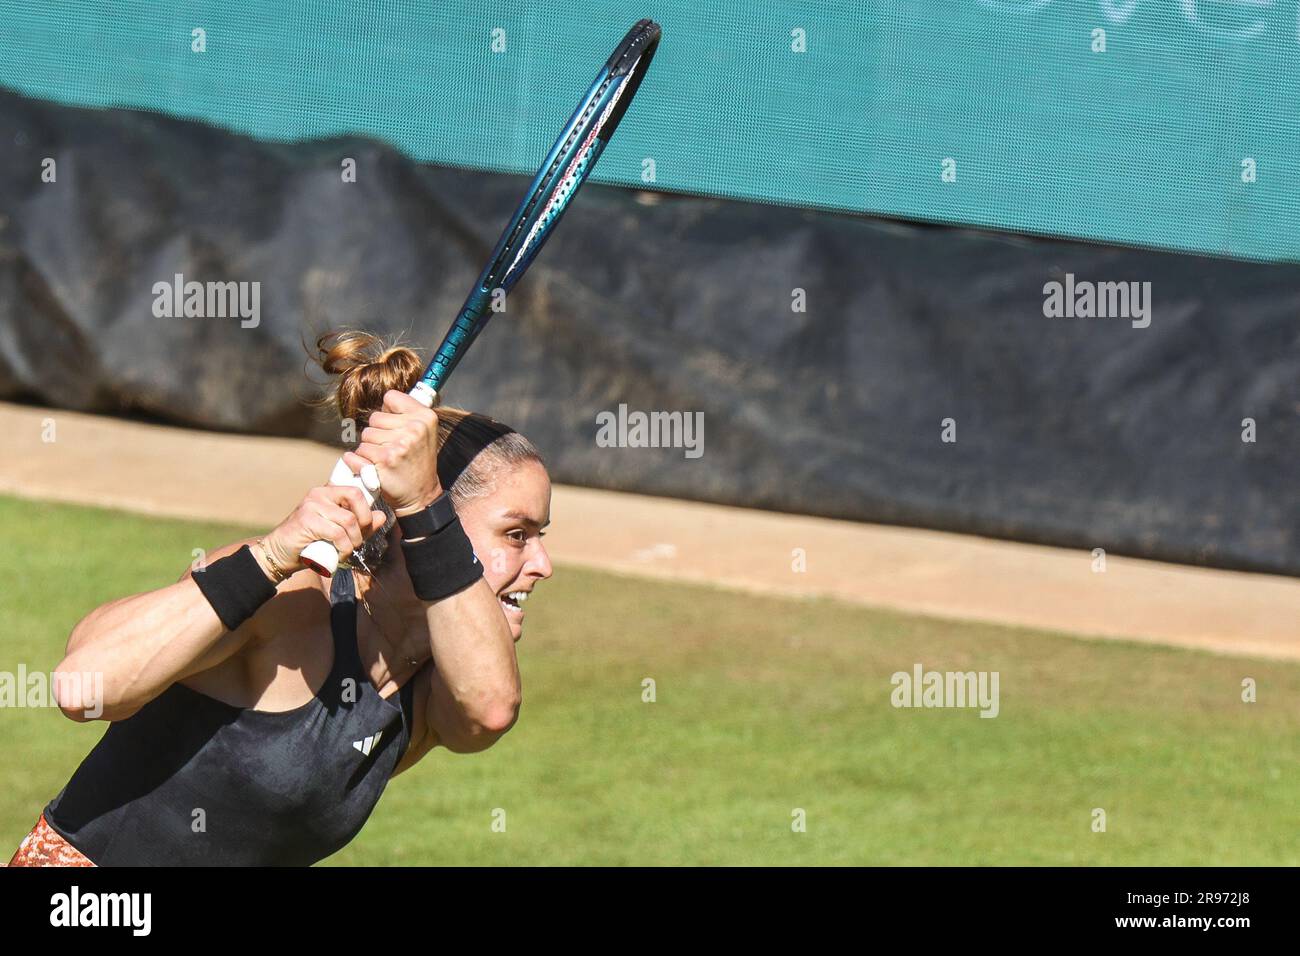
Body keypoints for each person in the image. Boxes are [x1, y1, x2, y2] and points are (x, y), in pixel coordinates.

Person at [6, 331, 552, 866]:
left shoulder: (430, 684)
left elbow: (490, 708)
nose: (542, 565)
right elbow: (83, 690)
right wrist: (269, 556)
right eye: (516, 534)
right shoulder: (290, 604)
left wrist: (427, 501)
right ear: (415, 519)